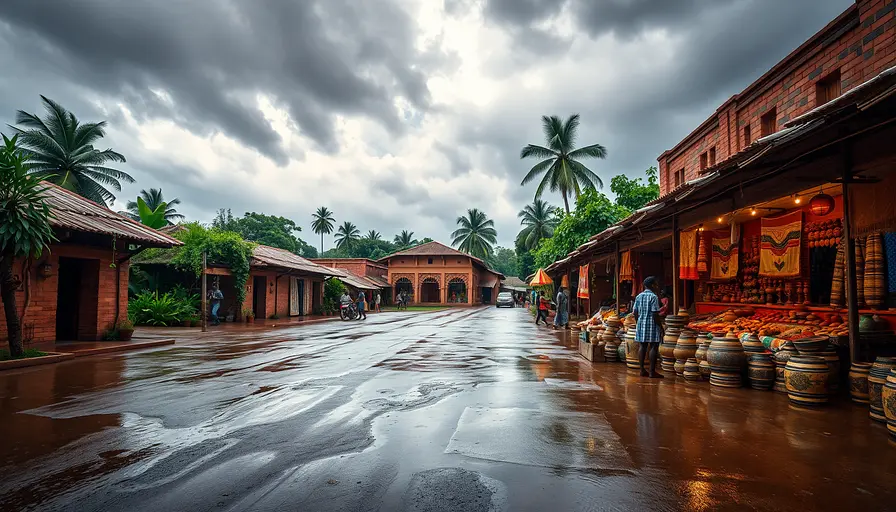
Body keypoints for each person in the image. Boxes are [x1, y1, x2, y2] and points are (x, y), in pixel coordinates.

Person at [633, 276, 664, 378]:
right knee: (654, 346)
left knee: (643, 346)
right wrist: (660, 327)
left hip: (641, 324)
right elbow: (655, 314)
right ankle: (651, 371)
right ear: (652, 285)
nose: (657, 286)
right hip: (652, 324)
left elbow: (635, 312)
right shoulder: (653, 297)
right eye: (655, 284)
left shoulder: (638, 296)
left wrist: (638, 322)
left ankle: (642, 370)